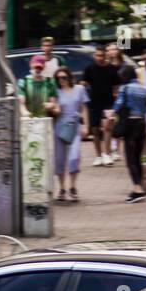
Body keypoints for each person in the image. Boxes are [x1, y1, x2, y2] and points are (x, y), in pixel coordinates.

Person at [113, 65, 146, 203]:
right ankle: (138, 188)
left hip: (130, 125)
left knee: (130, 159)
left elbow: (118, 106)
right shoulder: (145, 89)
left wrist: (112, 114)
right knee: (138, 158)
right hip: (142, 124)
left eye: (121, 76)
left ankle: (138, 190)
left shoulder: (125, 88)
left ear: (125, 76)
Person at [51, 68, 88, 202]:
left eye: (64, 77)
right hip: (60, 126)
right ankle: (62, 188)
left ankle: (73, 186)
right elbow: (55, 110)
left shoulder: (79, 89)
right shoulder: (55, 92)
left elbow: (83, 108)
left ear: (69, 77)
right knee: (59, 159)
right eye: (58, 78)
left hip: (75, 125)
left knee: (74, 156)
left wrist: (85, 125)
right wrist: (53, 109)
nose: (61, 80)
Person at [81, 45, 119, 166]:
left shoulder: (112, 69)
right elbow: (83, 83)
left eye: (102, 55)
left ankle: (107, 154)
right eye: (97, 55)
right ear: (94, 56)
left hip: (108, 103)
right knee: (95, 130)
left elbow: (117, 86)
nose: (99, 58)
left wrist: (116, 100)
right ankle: (98, 156)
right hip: (94, 103)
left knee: (107, 128)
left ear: (105, 55)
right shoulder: (89, 69)